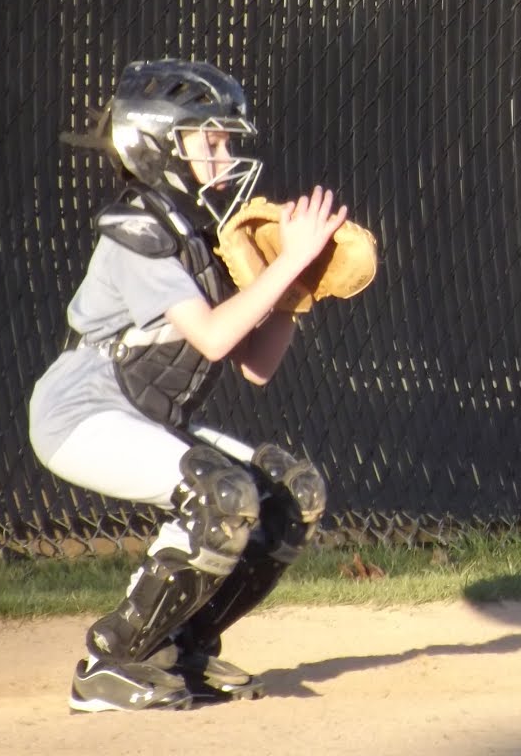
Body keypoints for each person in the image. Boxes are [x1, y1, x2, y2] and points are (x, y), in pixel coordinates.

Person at [28, 58, 348, 712]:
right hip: (80, 412)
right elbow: (212, 337)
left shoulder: (200, 237)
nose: (225, 153)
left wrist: (297, 287)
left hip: (142, 412)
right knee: (221, 493)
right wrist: (286, 261)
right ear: (156, 144)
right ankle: (109, 664)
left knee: (290, 496)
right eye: (211, 139)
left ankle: (181, 650)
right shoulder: (138, 233)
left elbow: (255, 365)